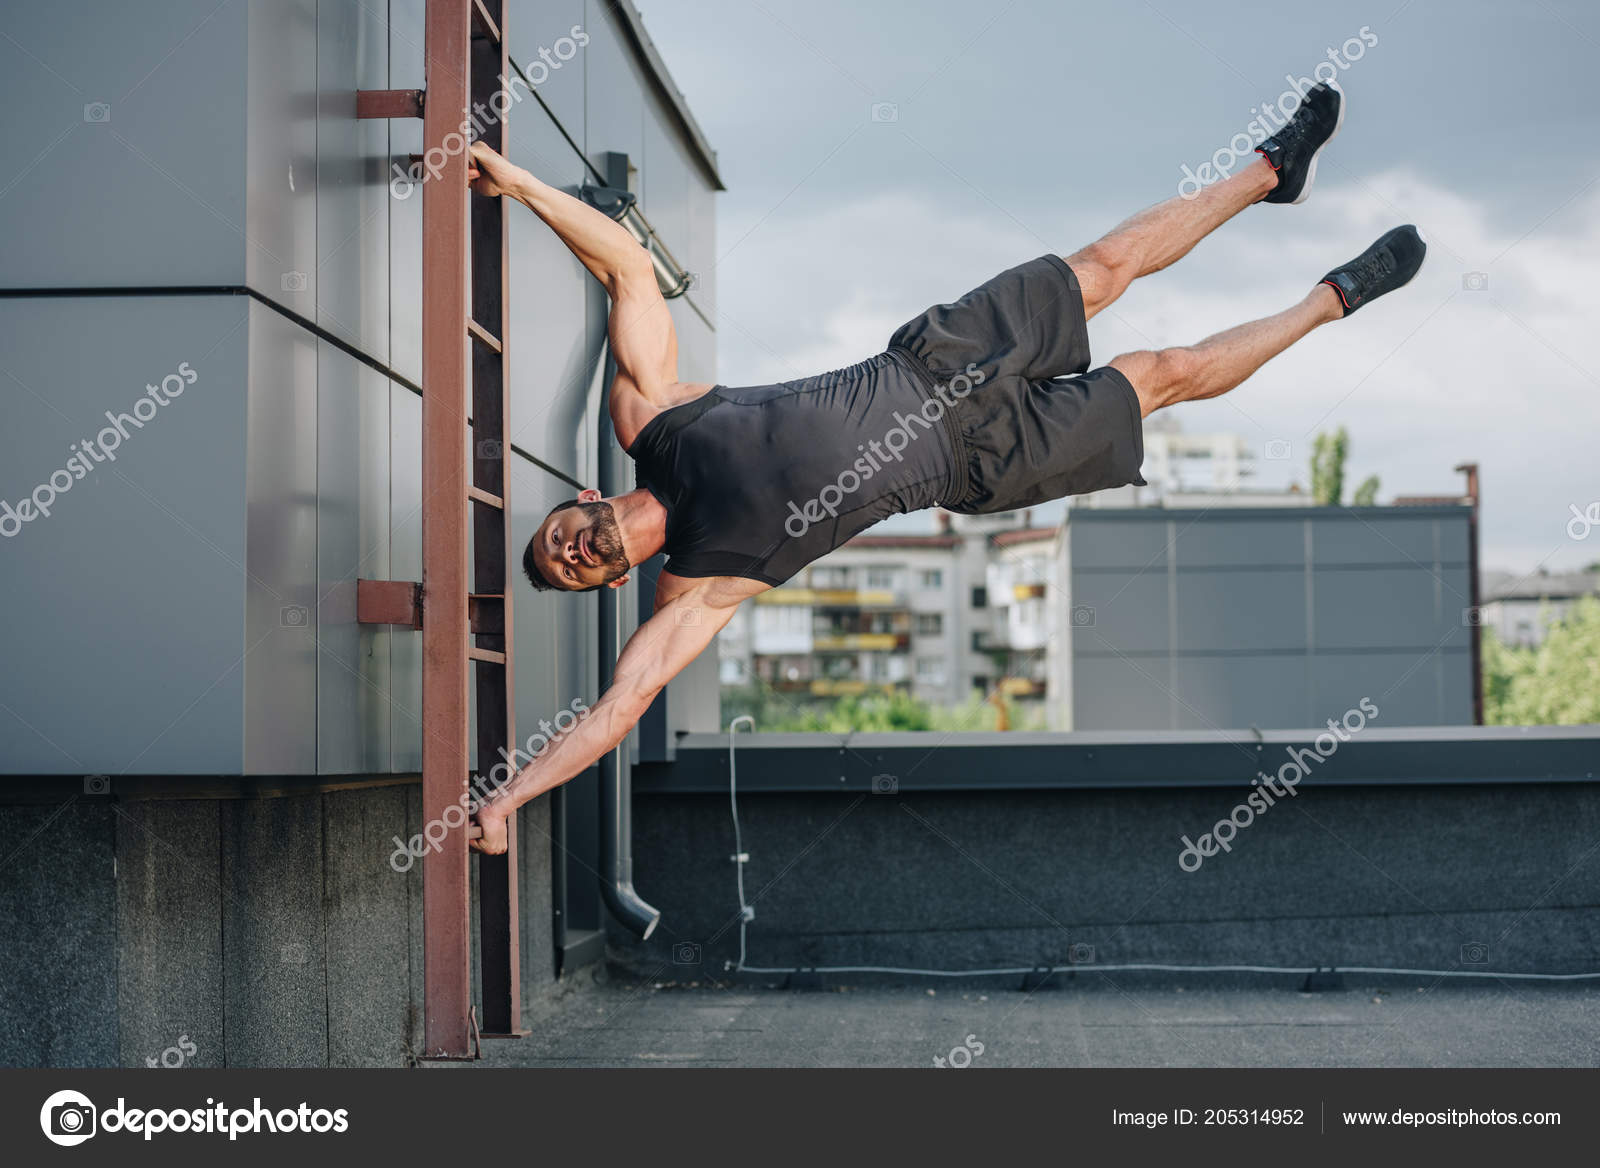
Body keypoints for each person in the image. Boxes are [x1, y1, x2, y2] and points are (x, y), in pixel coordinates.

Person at [465, 81, 1425, 854]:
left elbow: (629, 268)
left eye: (558, 541)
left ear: (580, 500)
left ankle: (1269, 168)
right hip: (978, 463)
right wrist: (506, 799)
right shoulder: (698, 592)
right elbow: (616, 712)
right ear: (616, 576)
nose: (575, 555)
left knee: (1104, 265)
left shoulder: (654, 418)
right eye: (573, 573)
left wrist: (519, 183)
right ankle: (1335, 297)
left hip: (935, 358)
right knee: (1163, 375)